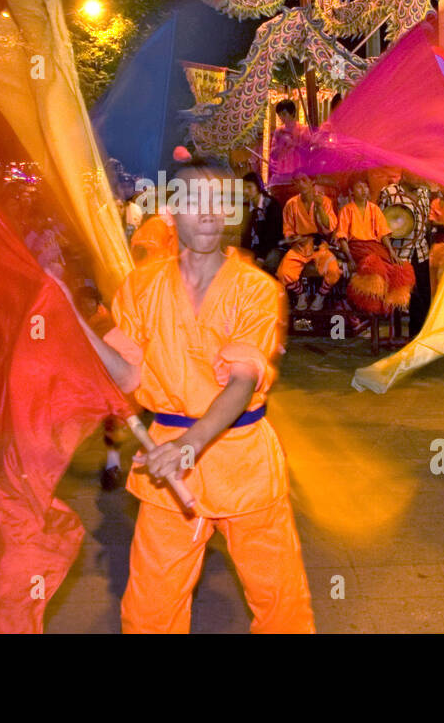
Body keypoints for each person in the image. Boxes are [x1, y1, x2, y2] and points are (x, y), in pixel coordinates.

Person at [68, 158, 315, 633]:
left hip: (241, 464)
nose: (207, 212)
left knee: (279, 601)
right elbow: (125, 376)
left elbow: (243, 381)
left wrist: (190, 445)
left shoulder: (256, 290)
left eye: (219, 201)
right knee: (150, 609)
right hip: (167, 463)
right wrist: (77, 324)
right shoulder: (141, 288)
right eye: (193, 201)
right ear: (171, 211)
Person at [335, 175, 414, 319]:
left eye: (365, 186)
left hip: (376, 248)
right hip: (357, 248)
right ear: (352, 191)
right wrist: (350, 258)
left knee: (400, 268)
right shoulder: (346, 210)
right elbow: (342, 238)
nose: (363, 190)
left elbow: (383, 234)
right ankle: (373, 307)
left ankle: (393, 305)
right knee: (376, 266)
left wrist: (391, 252)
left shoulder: (375, 209)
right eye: (359, 187)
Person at [378, 174, 433, 339]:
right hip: (399, 253)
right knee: (406, 296)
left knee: (423, 296)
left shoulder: (424, 192)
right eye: (414, 172)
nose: (419, 176)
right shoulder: (389, 192)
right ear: (405, 172)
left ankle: (417, 337)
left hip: (421, 252)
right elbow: (380, 223)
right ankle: (405, 337)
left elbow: (426, 221)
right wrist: (388, 249)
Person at [277, 173, 340, 311]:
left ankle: (320, 296)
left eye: (304, 180)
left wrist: (320, 207)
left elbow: (329, 227)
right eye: (297, 181)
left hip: (319, 246)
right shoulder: (291, 204)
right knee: (283, 273)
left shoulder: (324, 201)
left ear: (313, 181)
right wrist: (294, 239)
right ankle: (301, 294)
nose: (301, 184)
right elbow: (287, 231)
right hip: (299, 247)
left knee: (334, 270)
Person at [240, 171, 284, 275]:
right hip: (253, 248)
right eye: (243, 187)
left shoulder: (272, 205)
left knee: (267, 265)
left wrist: (260, 258)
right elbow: (245, 235)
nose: (245, 191)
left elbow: (272, 236)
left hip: (272, 248)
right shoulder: (245, 206)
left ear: (259, 187)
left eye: (249, 187)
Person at [268, 99, 311, 182]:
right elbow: (273, 154)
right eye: (279, 114)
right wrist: (281, 145)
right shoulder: (278, 131)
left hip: (299, 171)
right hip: (282, 172)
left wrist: (294, 145)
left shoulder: (303, 130)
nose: (281, 117)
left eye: (284, 114)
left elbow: (308, 152)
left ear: (292, 113)